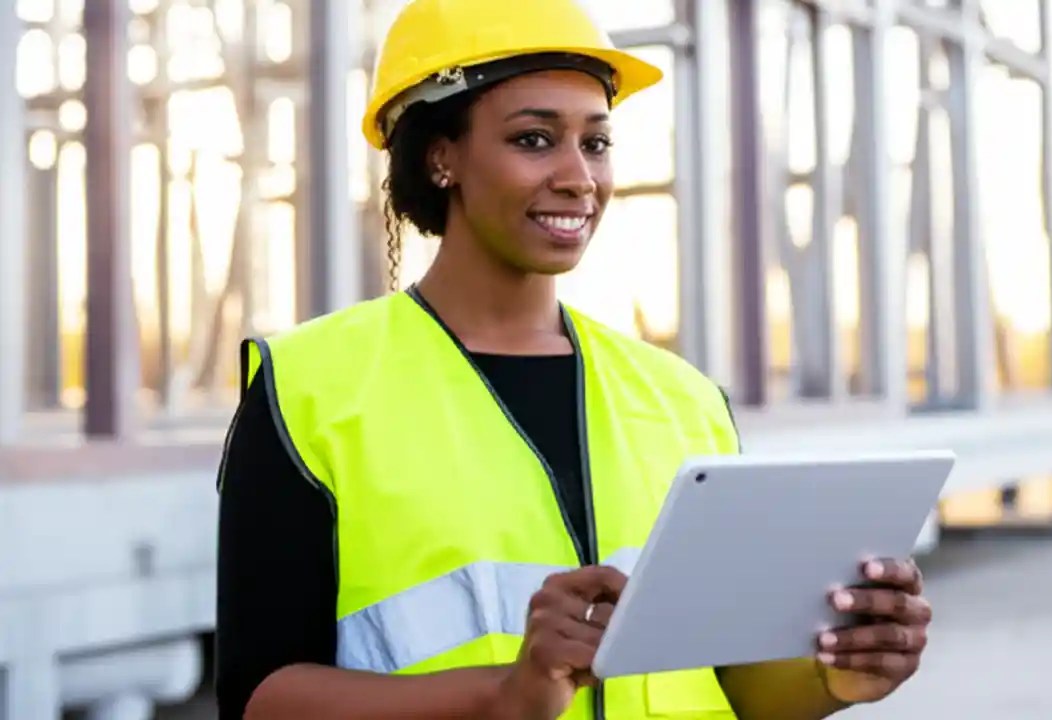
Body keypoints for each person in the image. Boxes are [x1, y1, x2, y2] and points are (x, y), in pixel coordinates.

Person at [214, 1, 933, 718]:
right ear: (441, 156)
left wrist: (835, 678)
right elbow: (260, 698)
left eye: (596, 143)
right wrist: (505, 696)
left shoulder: (682, 400)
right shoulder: (309, 390)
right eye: (533, 139)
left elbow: (731, 684)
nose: (578, 177)